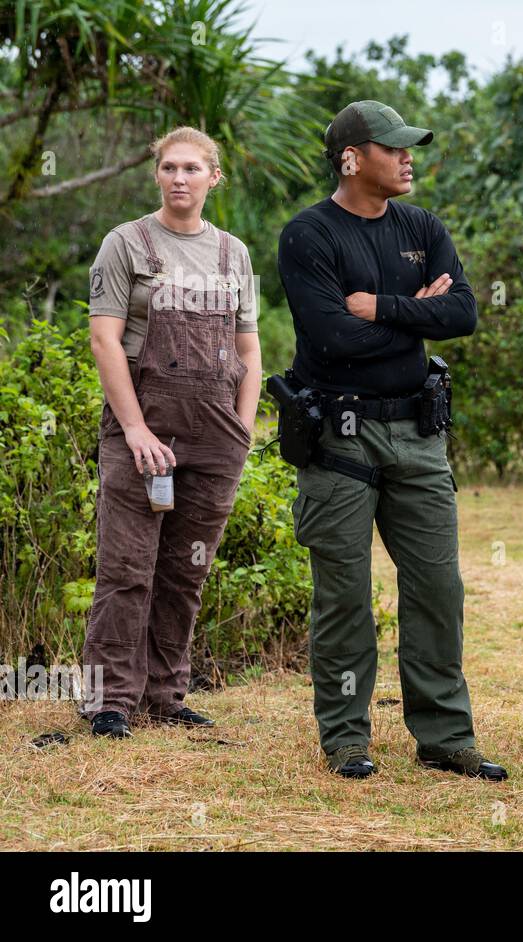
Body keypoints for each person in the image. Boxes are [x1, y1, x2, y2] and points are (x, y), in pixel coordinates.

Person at [276, 100, 506, 781]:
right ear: (352, 159)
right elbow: (332, 338)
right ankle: (347, 738)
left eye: (411, 147)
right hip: (339, 438)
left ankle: (445, 736)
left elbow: (462, 313)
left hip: (418, 434)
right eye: (394, 147)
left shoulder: (422, 226)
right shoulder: (309, 234)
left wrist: (381, 307)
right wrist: (419, 314)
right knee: (345, 595)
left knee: (438, 587)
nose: (408, 158)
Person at [81, 126, 260, 738]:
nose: (179, 178)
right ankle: (110, 700)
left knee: (186, 571)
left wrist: (242, 429)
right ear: (156, 174)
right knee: (127, 569)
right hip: (143, 428)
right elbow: (104, 340)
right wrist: (134, 429)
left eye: (191, 168)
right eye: (168, 167)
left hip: (215, 434)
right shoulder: (125, 244)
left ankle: (165, 693)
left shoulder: (234, 253)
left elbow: (248, 348)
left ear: (214, 177)